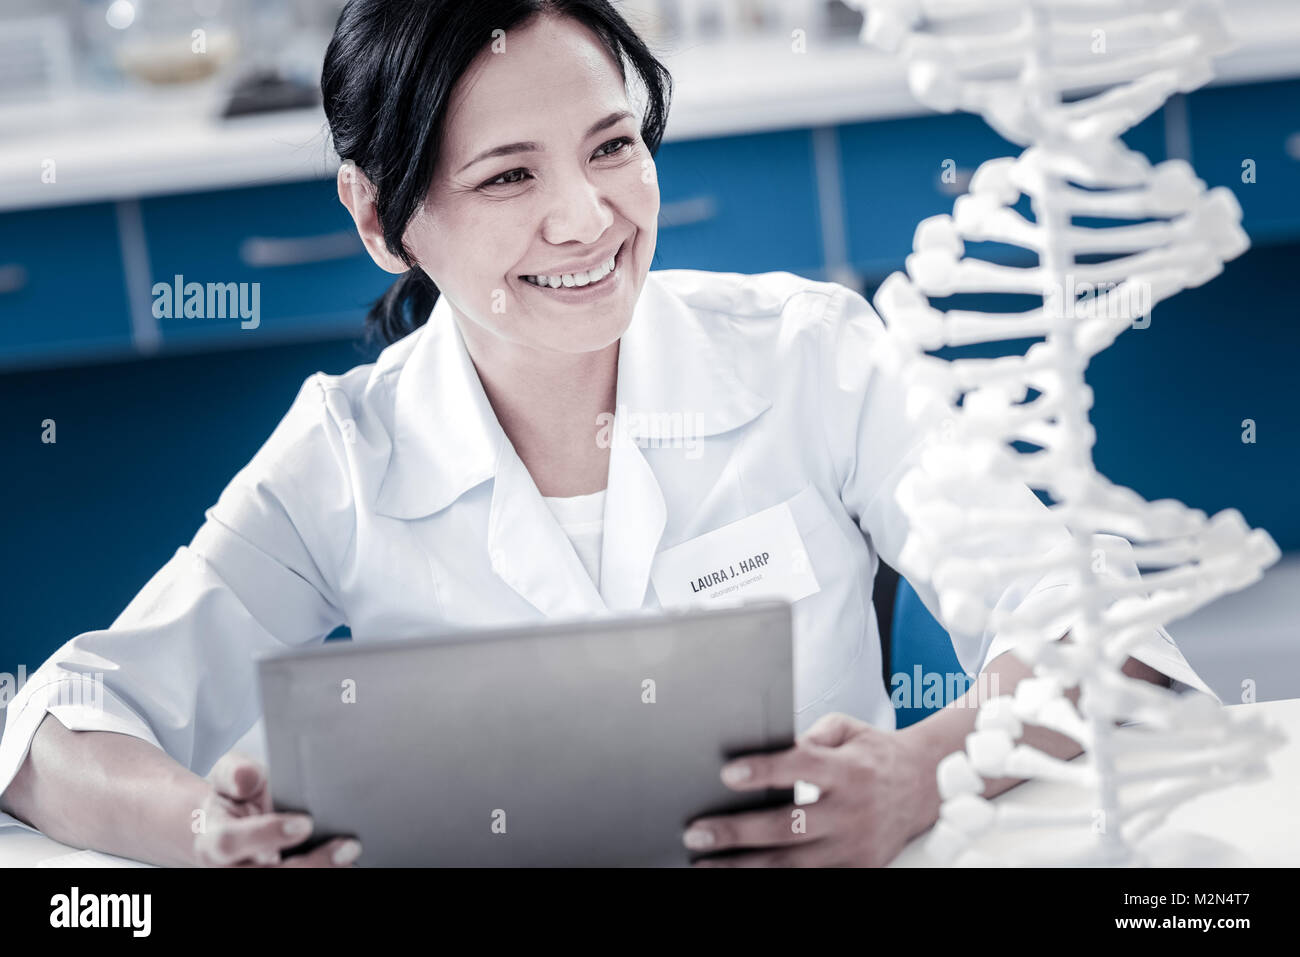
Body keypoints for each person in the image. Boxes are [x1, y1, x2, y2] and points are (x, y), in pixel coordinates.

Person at [0, 0, 1213, 868]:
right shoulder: (346, 454)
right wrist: (210, 832)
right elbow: (56, 729)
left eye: (611, 147)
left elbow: (1103, 638)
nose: (588, 220)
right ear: (379, 218)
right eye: (507, 178)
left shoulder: (811, 355)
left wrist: (921, 771)